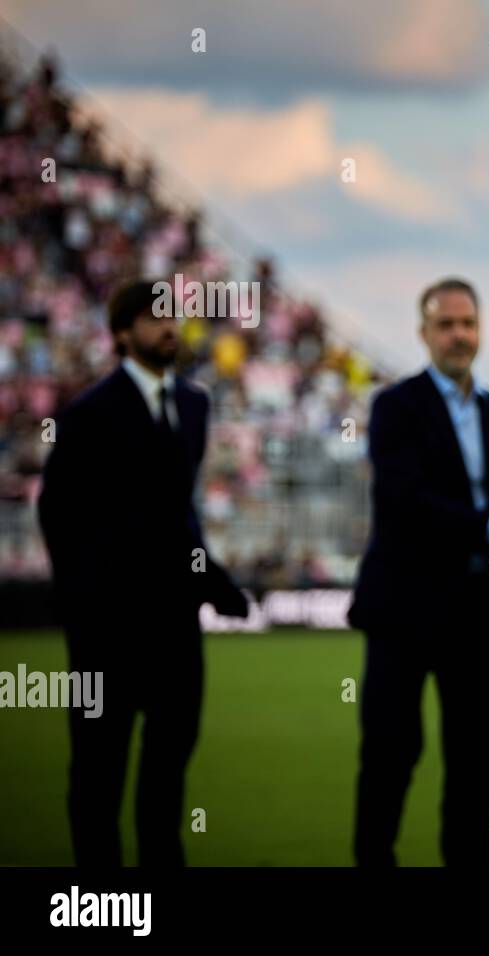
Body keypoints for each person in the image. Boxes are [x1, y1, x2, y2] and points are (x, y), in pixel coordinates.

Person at [37, 278, 248, 867]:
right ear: (122, 332)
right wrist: (84, 608)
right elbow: (58, 515)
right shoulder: (88, 414)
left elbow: (176, 512)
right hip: (106, 630)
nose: (168, 326)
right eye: (155, 317)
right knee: (99, 774)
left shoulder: (193, 403)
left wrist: (212, 581)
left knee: (167, 772)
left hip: (175, 626)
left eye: (174, 316)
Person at [349, 278, 489, 866]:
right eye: (446, 325)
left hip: (478, 611)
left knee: (477, 768)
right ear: (424, 333)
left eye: (468, 324)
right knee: (388, 756)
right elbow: (407, 504)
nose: (459, 335)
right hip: (404, 608)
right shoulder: (393, 408)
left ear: (481, 330)